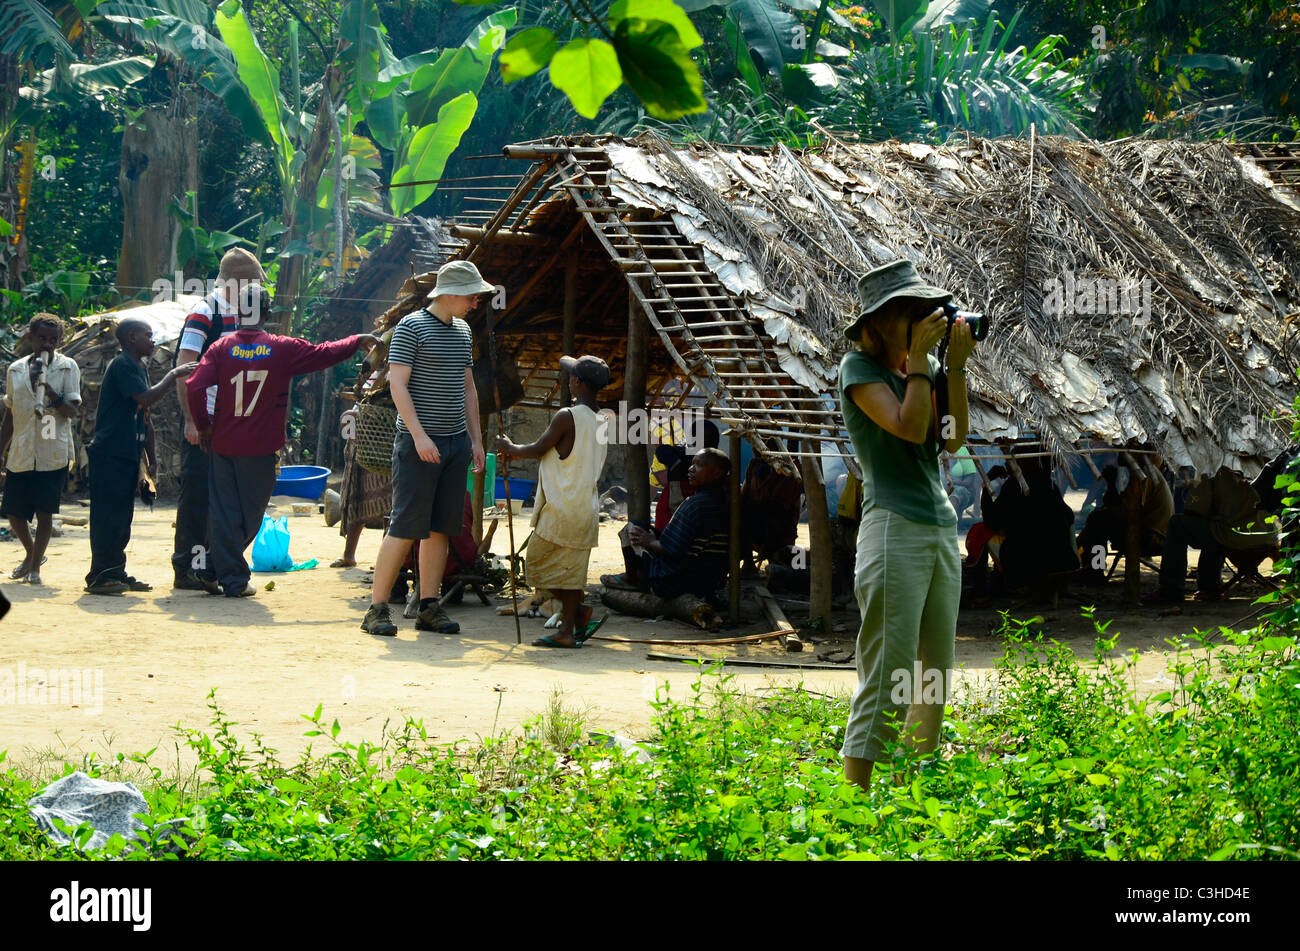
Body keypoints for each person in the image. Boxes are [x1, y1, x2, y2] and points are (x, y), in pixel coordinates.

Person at [836, 258, 973, 792]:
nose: (928, 319)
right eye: (916, 312)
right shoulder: (859, 369)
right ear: (884, 319)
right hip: (892, 526)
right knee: (891, 666)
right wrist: (920, 364)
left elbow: (953, 437)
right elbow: (911, 430)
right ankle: (856, 798)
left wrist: (952, 369)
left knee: (934, 668)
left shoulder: (928, 370)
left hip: (939, 525)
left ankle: (911, 785)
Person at [186, 284, 377, 597]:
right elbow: (323, 353)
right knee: (250, 514)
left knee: (223, 511)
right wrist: (356, 341)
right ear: (268, 312)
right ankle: (232, 578)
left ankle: (211, 569)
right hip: (259, 448)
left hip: (223, 443)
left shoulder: (220, 348)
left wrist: (203, 425)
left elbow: (195, 386)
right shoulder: (282, 347)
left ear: (236, 312)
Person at [360, 260, 489, 636]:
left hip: (454, 444)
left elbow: (468, 389)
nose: (475, 302)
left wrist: (476, 440)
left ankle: (429, 605)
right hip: (418, 444)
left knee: (440, 529)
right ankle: (376, 609)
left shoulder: (464, 331)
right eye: (470, 294)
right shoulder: (411, 328)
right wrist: (418, 436)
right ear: (449, 294)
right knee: (404, 525)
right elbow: (397, 385)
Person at [496, 354, 611, 648]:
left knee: (537, 564)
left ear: (578, 383)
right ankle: (575, 616)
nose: (568, 380)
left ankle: (568, 631)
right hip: (584, 507)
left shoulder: (567, 416)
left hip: (563, 510)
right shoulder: (601, 421)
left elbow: (538, 448)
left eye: (571, 376)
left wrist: (511, 447)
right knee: (566, 574)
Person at [171, 247, 267, 592]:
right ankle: (188, 568)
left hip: (230, 423)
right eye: (252, 283)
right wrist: (192, 421)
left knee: (221, 498)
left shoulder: (241, 316)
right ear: (238, 283)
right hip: (205, 420)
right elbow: (185, 369)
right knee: (197, 496)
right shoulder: (204, 312)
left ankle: (207, 567)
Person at [85, 320, 196, 594]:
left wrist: (150, 458)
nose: (153, 341)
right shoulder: (122, 365)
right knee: (109, 516)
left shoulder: (138, 367)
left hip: (126, 453)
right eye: (148, 336)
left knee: (121, 517)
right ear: (132, 338)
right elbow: (145, 399)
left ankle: (115, 572)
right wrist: (173, 375)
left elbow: (144, 418)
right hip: (111, 452)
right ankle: (100, 576)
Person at [2, 314, 81, 586]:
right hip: (22, 451)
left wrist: (51, 393)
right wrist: (1, 449)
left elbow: (71, 411)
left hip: (51, 451)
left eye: (52, 339)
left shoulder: (67, 367)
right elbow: (11, 414)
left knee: (45, 513)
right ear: (31, 338)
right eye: (41, 338)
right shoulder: (15, 370)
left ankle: (35, 566)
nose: (46, 344)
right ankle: (30, 552)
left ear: (59, 341)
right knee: (13, 512)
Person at [604, 447, 732, 600]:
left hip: (678, 582)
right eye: (692, 464)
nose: (690, 469)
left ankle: (636, 580)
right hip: (712, 579)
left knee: (632, 528)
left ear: (717, 473)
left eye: (698, 465)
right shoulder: (725, 500)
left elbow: (672, 549)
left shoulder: (695, 504)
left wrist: (649, 541)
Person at [1144, 465, 1274, 603]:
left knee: (1179, 524)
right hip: (1267, 536)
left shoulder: (1212, 466)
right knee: (1212, 526)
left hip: (1237, 536)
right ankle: (1209, 586)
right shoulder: (1256, 463)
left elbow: (1196, 508)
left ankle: (1171, 590)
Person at [1075, 456, 1173, 584]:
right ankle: (1091, 566)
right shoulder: (1144, 473)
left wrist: (1110, 486)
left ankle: (1094, 570)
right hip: (1149, 531)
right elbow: (1120, 506)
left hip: (1152, 537)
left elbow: (1126, 512)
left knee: (1098, 520)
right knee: (1099, 518)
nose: (1119, 454)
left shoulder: (1144, 475)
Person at [739, 456, 804, 574]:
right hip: (755, 522)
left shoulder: (791, 467)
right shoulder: (755, 464)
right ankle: (749, 563)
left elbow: (779, 506)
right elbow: (744, 494)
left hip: (780, 527)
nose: (755, 449)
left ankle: (775, 563)